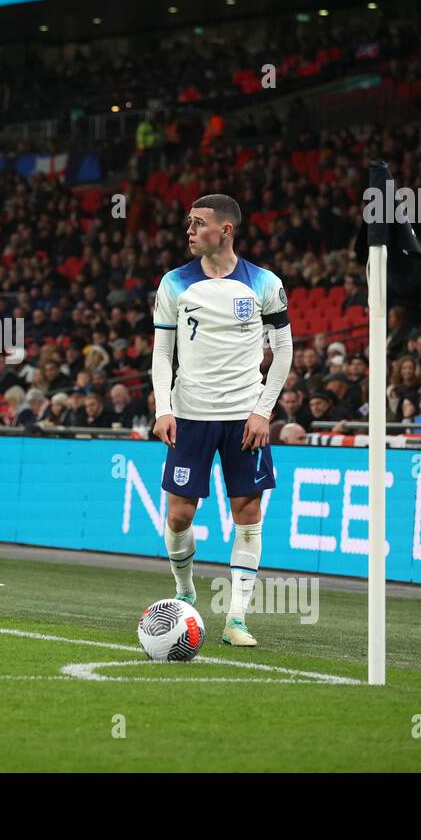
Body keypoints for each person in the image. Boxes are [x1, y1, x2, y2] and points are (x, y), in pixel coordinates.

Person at [151, 194, 292, 648]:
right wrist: (162, 408)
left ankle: (236, 619)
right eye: (188, 223)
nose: (189, 231)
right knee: (178, 516)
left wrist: (262, 411)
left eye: (198, 224)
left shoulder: (265, 283)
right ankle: (185, 592)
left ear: (225, 230)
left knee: (246, 515)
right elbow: (162, 353)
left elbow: (285, 350)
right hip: (190, 415)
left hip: (243, 418)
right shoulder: (174, 284)